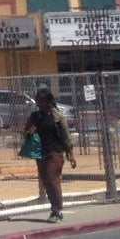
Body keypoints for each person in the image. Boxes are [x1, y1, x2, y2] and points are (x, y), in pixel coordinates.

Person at [24, 88, 75, 222]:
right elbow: (25, 133)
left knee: (53, 179)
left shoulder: (57, 116)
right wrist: (30, 131)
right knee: (46, 180)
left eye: (42, 100)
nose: (39, 103)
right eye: (38, 101)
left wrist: (70, 153)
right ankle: (54, 208)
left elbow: (65, 135)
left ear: (48, 101)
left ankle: (57, 210)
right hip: (41, 152)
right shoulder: (35, 117)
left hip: (55, 152)